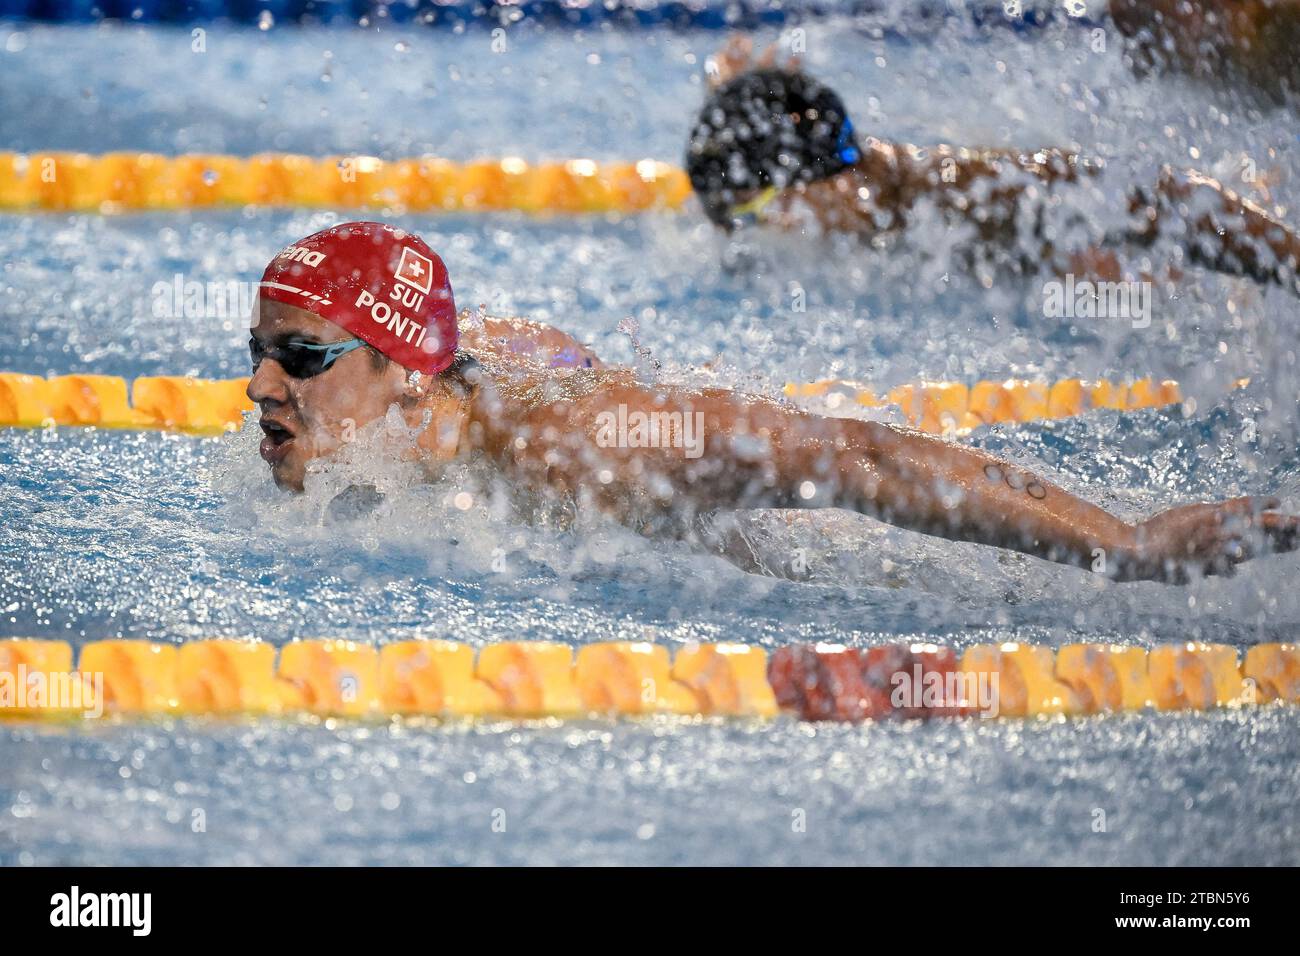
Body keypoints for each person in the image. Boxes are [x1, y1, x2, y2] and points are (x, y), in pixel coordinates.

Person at [248, 221, 1297, 584]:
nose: (258, 387)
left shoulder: (569, 445)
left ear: (407, 374)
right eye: (256, 352)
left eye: (297, 354)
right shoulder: (379, 411)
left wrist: (1126, 543)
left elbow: (853, 457)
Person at [684, 38, 1300, 292]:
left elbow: (1166, 196)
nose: (779, 222)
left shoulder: (968, 190)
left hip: (1059, 249)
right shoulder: (843, 201)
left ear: (837, 180)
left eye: (775, 205)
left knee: (1129, 271)